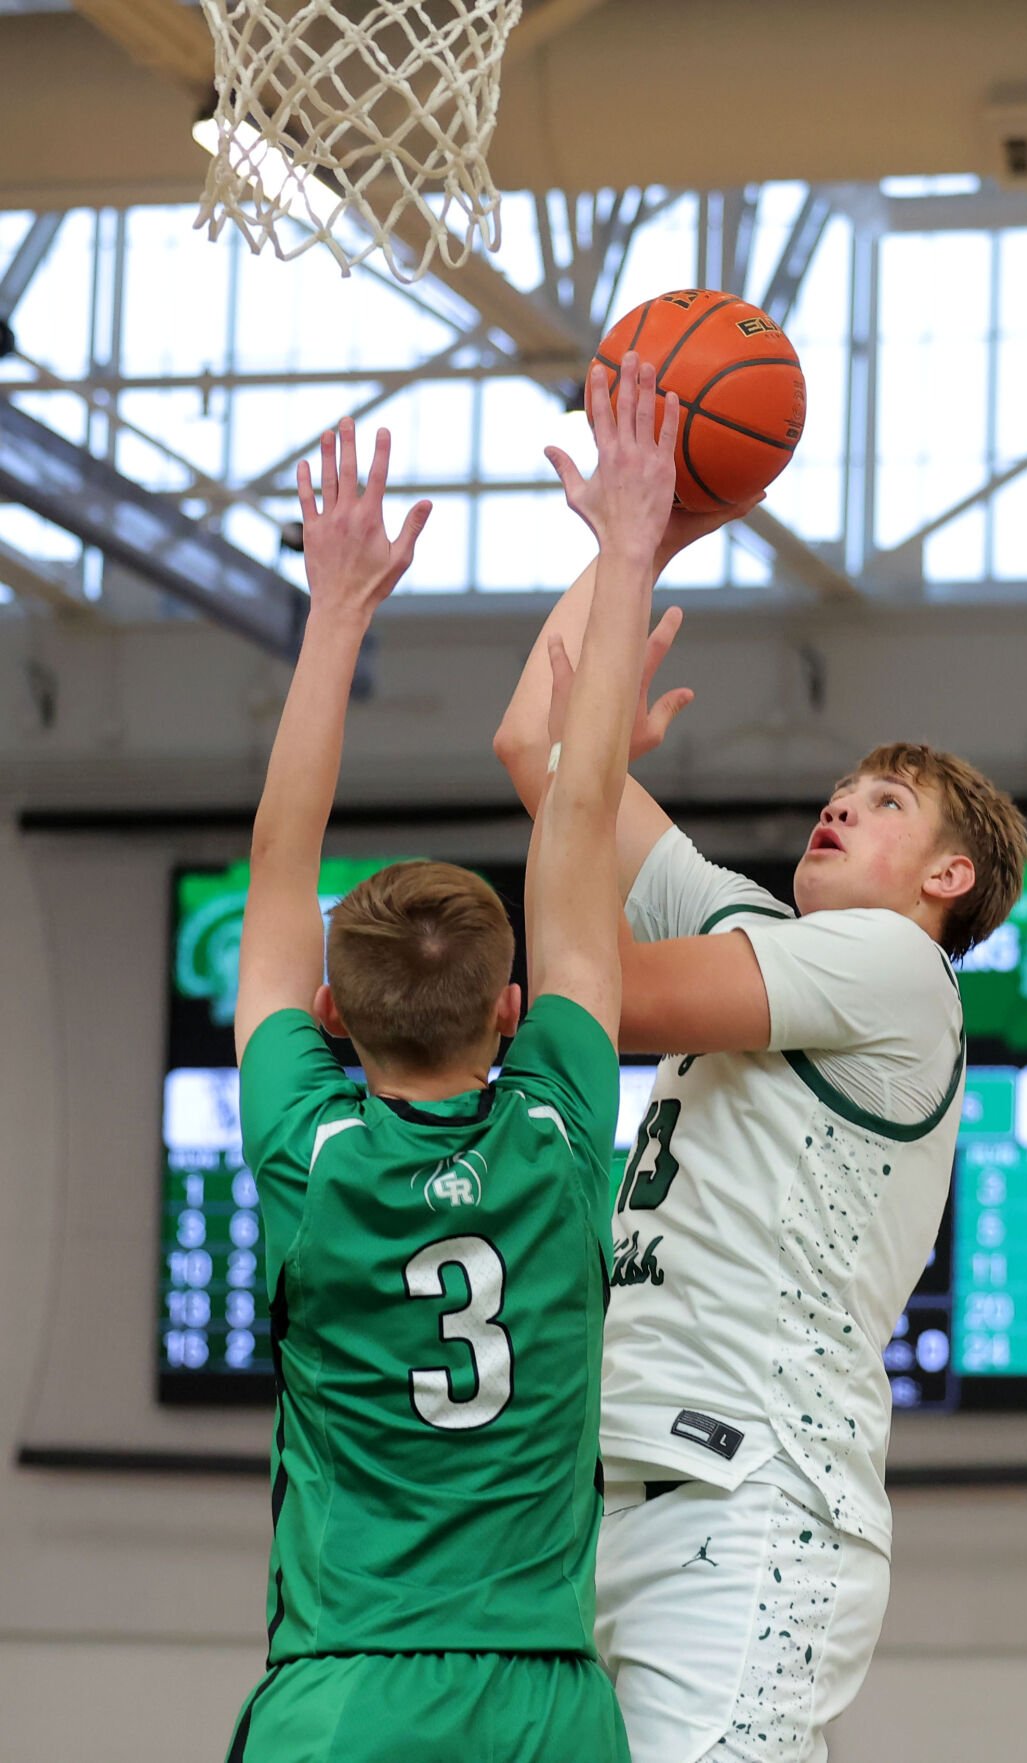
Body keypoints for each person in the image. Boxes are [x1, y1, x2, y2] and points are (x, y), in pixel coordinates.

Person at [494, 512, 1027, 1763]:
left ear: (945, 877)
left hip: (751, 1506)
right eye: (838, 792)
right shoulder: (764, 930)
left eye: (883, 802)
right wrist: (647, 532)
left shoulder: (894, 964)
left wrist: (591, 769)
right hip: (611, 1494)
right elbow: (534, 740)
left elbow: (598, 988)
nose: (838, 807)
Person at [225, 355, 680, 1763]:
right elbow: (579, 803)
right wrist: (624, 547)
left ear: (329, 1017)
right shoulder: (553, 1133)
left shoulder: (311, 1147)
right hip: (543, 1694)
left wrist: (337, 609)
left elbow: (276, 853)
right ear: (511, 1010)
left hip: (344, 1689)